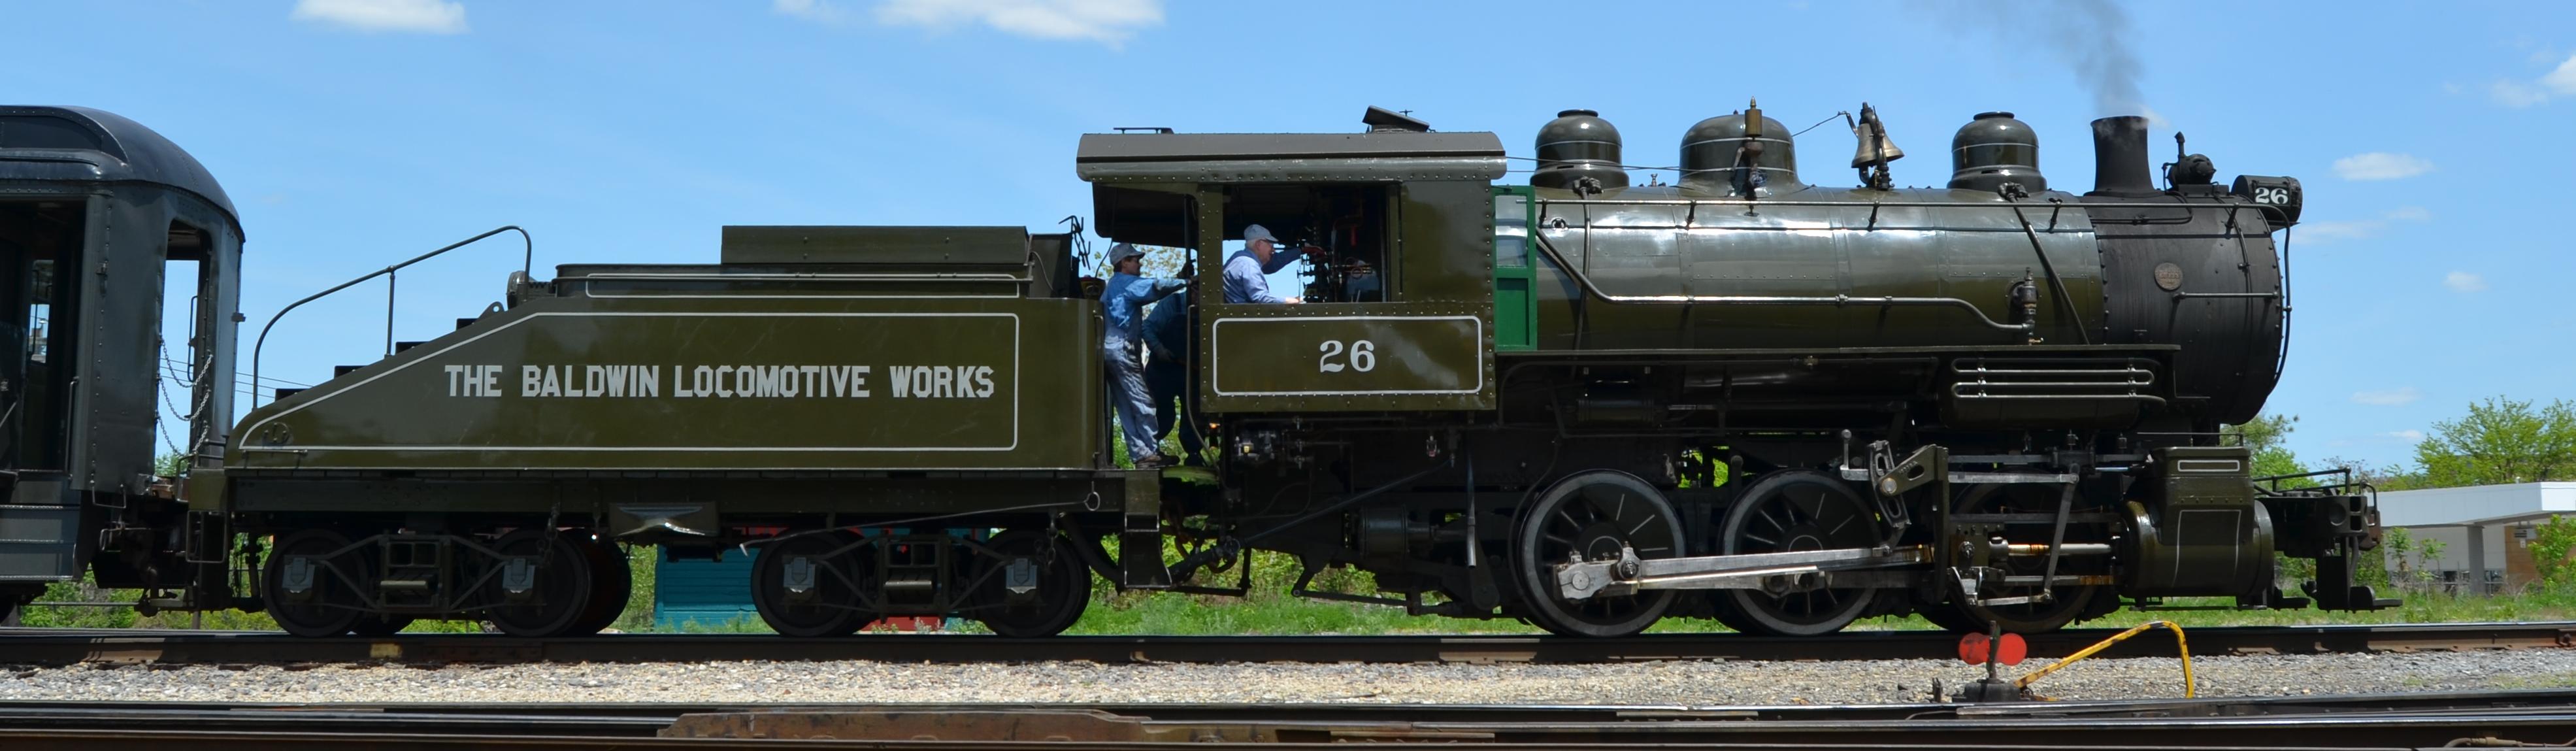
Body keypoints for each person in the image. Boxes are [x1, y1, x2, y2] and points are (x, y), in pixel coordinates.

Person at [1100, 243, 1188, 469]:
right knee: (1144, 402)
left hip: (1110, 349)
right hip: (1123, 349)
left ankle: (1141, 455)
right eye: (1135, 259)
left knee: (1125, 404)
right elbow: (1156, 287)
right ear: (1124, 263)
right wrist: (1186, 282)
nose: (1139, 263)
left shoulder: (1113, 286)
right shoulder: (1126, 284)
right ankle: (1150, 453)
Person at [1142, 293, 1204, 466]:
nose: (1199, 297)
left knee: (1195, 413)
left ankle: (1194, 454)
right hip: (1163, 369)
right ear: (1192, 288)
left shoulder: (1211, 307)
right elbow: (1147, 327)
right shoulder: (1172, 303)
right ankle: (1151, 453)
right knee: (1162, 413)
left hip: (1191, 370)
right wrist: (1160, 350)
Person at [1222, 224, 1323, 305]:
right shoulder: (1249, 264)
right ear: (1259, 245)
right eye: (1271, 245)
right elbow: (1261, 297)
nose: (1273, 250)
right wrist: (1292, 301)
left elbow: (1274, 263)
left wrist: (1301, 250)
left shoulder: (1240, 258)